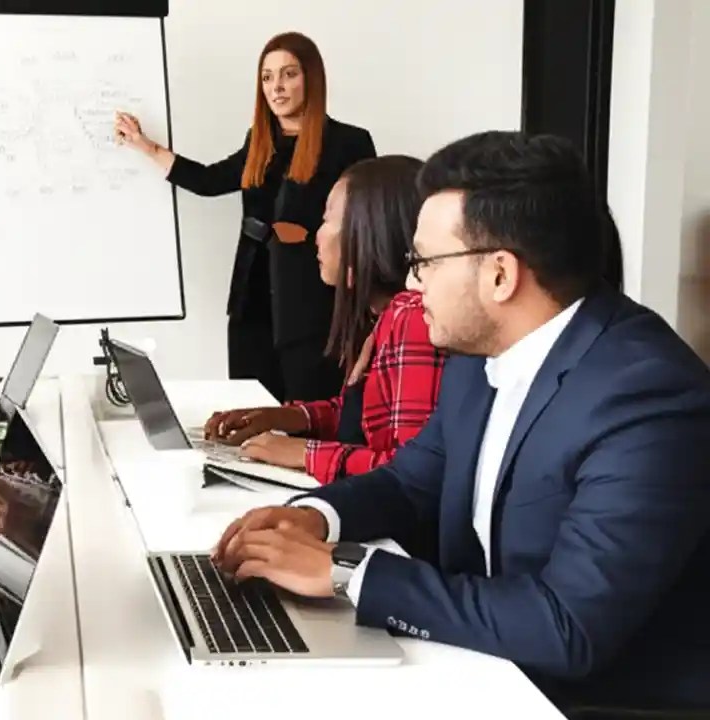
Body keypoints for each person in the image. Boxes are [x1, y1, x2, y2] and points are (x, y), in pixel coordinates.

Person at [212, 131, 710, 714]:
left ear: (501, 274)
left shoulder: (645, 396)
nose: (411, 282)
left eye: (424, 261)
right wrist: (312, 517)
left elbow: (569, 628)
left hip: (579, 700)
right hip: (481, 661)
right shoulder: (483, 356)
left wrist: (347, 572)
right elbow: (409, 481)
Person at [115, 31, 375, 402]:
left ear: (311, 78)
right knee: (251, 408)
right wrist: (146, 146)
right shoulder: (259, 140)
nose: (277, 87)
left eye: (289, 74)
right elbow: (207, 180)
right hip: (253, 297)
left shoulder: (349, 143)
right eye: (267, 78)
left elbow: (369, 227)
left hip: (315, 303)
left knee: (308, 411)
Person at [203, 155, 445, 484]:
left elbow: (412, 473)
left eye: (328, 219)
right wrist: (283, 417)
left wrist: (304, 453)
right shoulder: (386, 317)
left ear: (369, 231)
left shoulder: (413, 319)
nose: (317, 236)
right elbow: (358, 419)